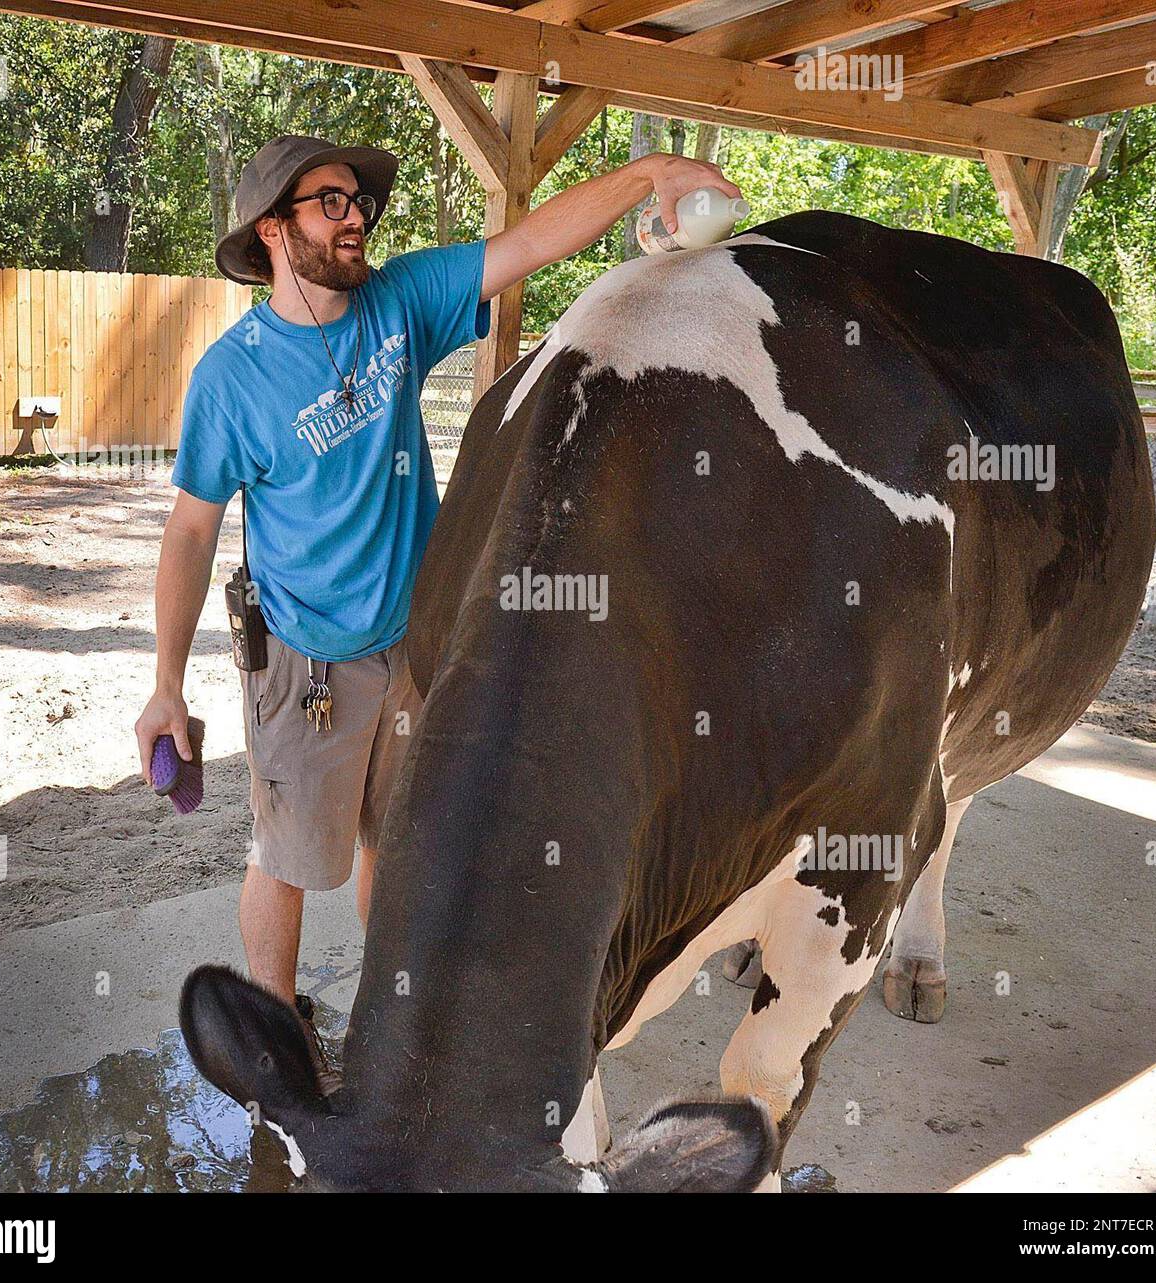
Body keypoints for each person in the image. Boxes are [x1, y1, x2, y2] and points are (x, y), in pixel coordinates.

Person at [134, 133, 741, 1084]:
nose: (354, 217)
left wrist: (645, 178)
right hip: (305, 662)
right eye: (329, 202)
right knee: (290, 856)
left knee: (402, 845)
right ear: (272, 229)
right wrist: (165, 685)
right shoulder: (233, 377)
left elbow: (531, 244)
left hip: (417, 648)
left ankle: (390, 1025)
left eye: (357, 202)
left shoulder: (401, 305)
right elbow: (188, 533)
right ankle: (276, 1041)